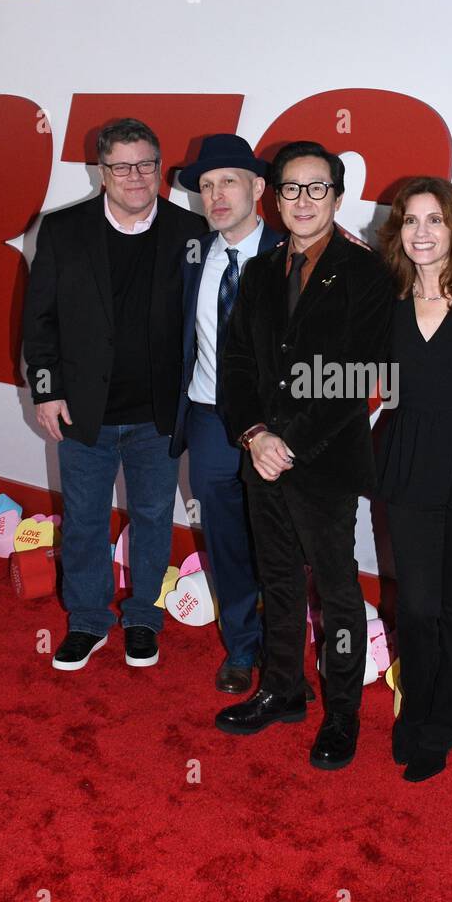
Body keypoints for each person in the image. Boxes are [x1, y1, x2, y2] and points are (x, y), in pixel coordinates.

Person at [217, 140, 393, 770]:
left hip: (323, 461)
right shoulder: (260, 272)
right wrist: (256, 436)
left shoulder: (368, 274)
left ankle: (342, 712)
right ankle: (282, 688)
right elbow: (236, 365)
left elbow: (356, 375)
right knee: (278, 580)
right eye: (290, 188)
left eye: (316, 188)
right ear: (274, 197)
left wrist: (287, 442)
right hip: (260, 455)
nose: (302, 200)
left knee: (338, 590)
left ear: (338, 198)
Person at [23, 118, 207, 672]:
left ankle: (144, 619)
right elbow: (40, 320)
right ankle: (87, 621)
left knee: (152, 517)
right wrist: (47, 390)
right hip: (83, 411)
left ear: (159, 167)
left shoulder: (189, 232)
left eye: (146, 164)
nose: (136, 176)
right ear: (102, 172)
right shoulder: (62, 230)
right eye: (122, 166)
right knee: (82, 519)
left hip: (156, 416)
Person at [376, 178, 452, 781]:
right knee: (416, 607)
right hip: (407, 463)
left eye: (434, 220)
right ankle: (412, 710)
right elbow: (345, 376)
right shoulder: (385, 299)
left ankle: (441, 727)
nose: (421, 232)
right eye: (410, 221)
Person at [171, 134, 281, 693]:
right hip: (210, 418)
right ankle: (241, 647)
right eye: (207, 186)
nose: (216, 195)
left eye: (228, 182)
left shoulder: (294, 252)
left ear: (258, 188)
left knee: (281, 538)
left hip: (276, 426)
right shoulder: (191, 254)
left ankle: (283, 654)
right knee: (226, 538)